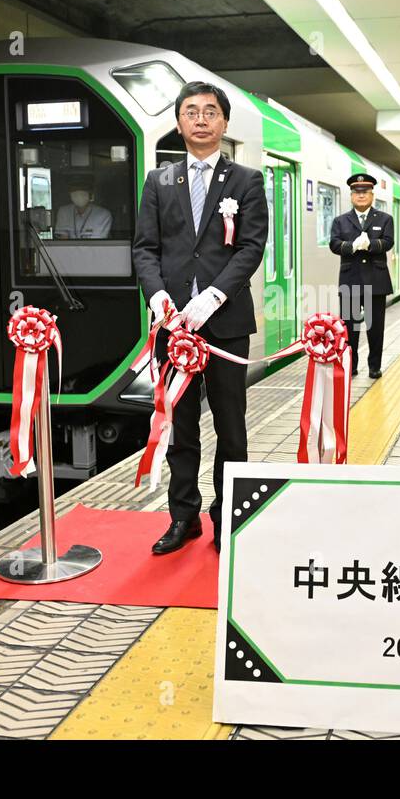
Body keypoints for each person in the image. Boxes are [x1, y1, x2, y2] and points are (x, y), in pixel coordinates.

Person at [132, 81, 267, 554]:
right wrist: (158, 299)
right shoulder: (159, 181)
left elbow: (251, 247)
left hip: (225, 323)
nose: (202, 119)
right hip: (174, 328)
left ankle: (227, 515)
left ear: (225, 123)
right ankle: (183, 516)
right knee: (180, 427)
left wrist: (213, 295)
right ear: (179, 123)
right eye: (191, 112)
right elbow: (145, 249)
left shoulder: (246, 180)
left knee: (231, 425)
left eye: (211, 111)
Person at [329, 173, 394, 378]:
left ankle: (374, 366)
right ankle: (351, 365)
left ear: (372, 195)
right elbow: (334, 244)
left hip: (376, 281)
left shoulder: (385, 219)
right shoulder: (340, 221)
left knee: (375, 329)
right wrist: (351, 246)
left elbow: (389, 241)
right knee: (350, 328)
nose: (361, 195)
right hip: (351, 281)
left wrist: (371, 245)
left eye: (365, 192)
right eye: (357, 192)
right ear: (351, 196)